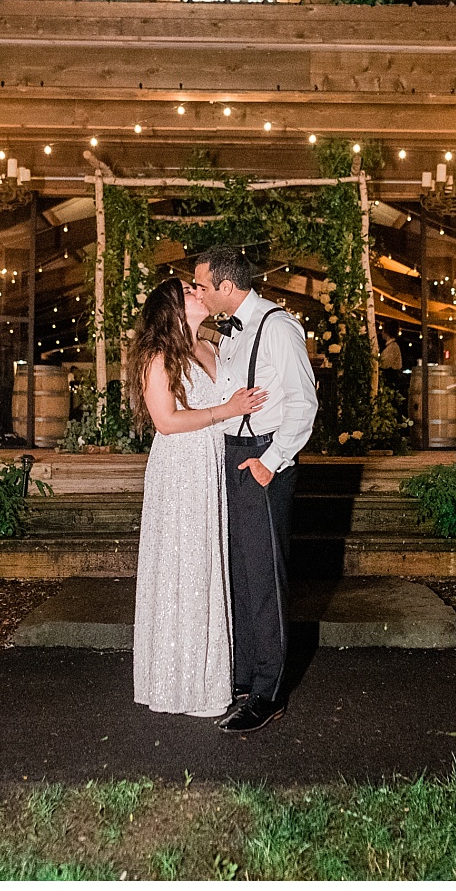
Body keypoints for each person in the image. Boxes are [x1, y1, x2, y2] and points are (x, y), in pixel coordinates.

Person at [192, 246, 319, 733]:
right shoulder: (230, 331)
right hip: (232, 453)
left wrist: (269, 463)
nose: (200, 293)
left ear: (226, 286)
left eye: (203, 285)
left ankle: (269, 691)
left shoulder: (278, 327)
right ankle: (245, 678)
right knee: (240, 574)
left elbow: (303, 404)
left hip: (263, 456)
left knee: (264, 576)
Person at [126, 277, 266, 717]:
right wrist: (227, 410)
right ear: (171, 306)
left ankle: (207, 677)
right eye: (189, 291)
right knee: (181, 565)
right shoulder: (158, 355)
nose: (198, 293)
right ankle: (173, 680)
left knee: (208, 565)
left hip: (211, 463)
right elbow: (166, 421)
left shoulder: (206, 348)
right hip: (179, 468)